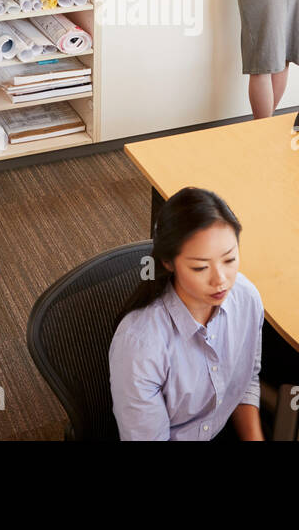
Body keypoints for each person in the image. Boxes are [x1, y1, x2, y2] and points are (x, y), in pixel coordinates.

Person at [109, 187, 264, 441]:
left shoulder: (246, 297)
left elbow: (245, 381)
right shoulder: (141, 344)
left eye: (229, 259)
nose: (221, 280)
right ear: (168, 263)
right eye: (200, 267)